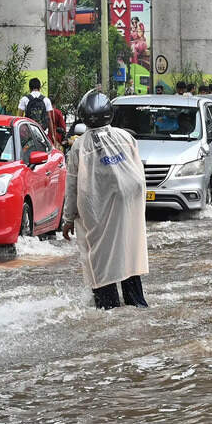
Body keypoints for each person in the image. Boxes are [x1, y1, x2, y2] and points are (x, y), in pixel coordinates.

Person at [61, 90, 149, 310]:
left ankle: (108, 306)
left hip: (96, 209)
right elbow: (138, 170)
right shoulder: (126, 137)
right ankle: (136, 303)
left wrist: (68, 218)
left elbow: (72, 185)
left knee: (100, 256)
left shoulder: (80, 146)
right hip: (130, 203)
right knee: (129, 249)